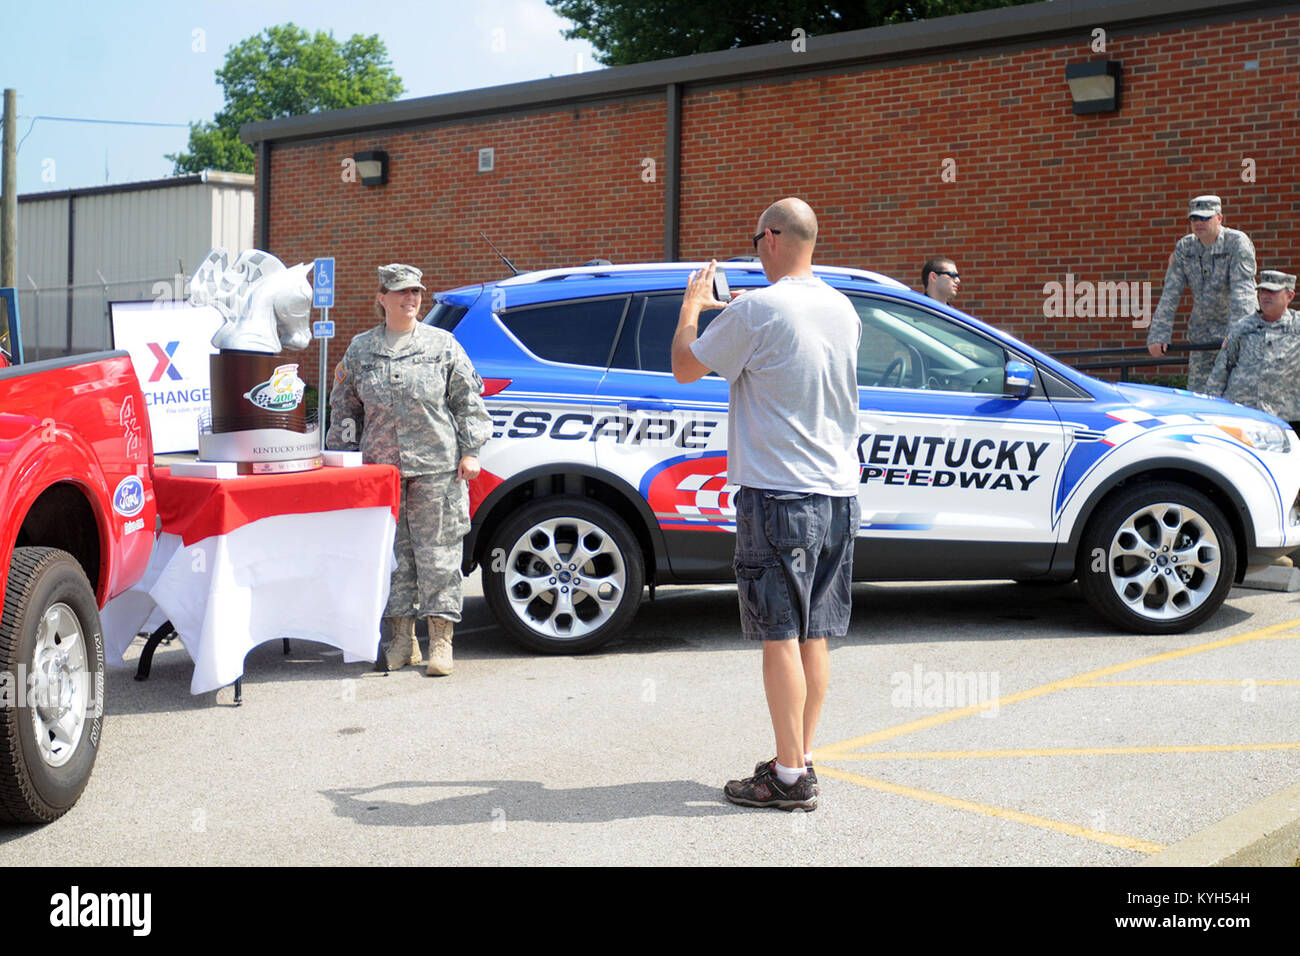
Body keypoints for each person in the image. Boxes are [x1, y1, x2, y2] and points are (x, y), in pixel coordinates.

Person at [671, 198, 861, 811]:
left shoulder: (757, 308)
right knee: (816, 633)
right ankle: (797, 760)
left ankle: (786, 778)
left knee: (779, 632)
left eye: (756, 240)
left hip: (778, 494)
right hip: (837, 494)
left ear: (775, 238)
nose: (754, 250)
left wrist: (692, 309)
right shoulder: (842, 308)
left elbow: (682, 368)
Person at [326, 263, 492, 676]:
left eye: (416, 291)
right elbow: (344, 408)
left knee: (438, 556)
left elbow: (468, 402)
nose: (410, 299)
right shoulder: (361, 350)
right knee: (393, 559)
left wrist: (471, 450)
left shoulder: (443, 345)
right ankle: (401, 641)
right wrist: (343, 460)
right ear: (381, 298)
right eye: (400, 292)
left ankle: (440, 642)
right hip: (380, 474)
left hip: (437, 469)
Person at [1146, 194, 1257, 393]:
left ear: (1220, 218)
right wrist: (1158, 334)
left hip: (1234, 334)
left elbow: (1243, 295)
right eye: (1194, 218)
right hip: (1202, 336)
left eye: (1205, 218)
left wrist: (1236, 339)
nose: (1199, 223)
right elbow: (1170, 292)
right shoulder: (1185, 247)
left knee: (1236, 396)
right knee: (1198, 397)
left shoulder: (1236, 243)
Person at [1204, 270, 1300, 428]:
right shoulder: (1243, 328)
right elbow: (1221, 370)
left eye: (1272, 292)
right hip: (1242, 415)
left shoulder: (1296, 327)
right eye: (1262, 291)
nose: (1265, 296)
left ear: (1290, 296)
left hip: (1283, 418)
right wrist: (1209, 409)